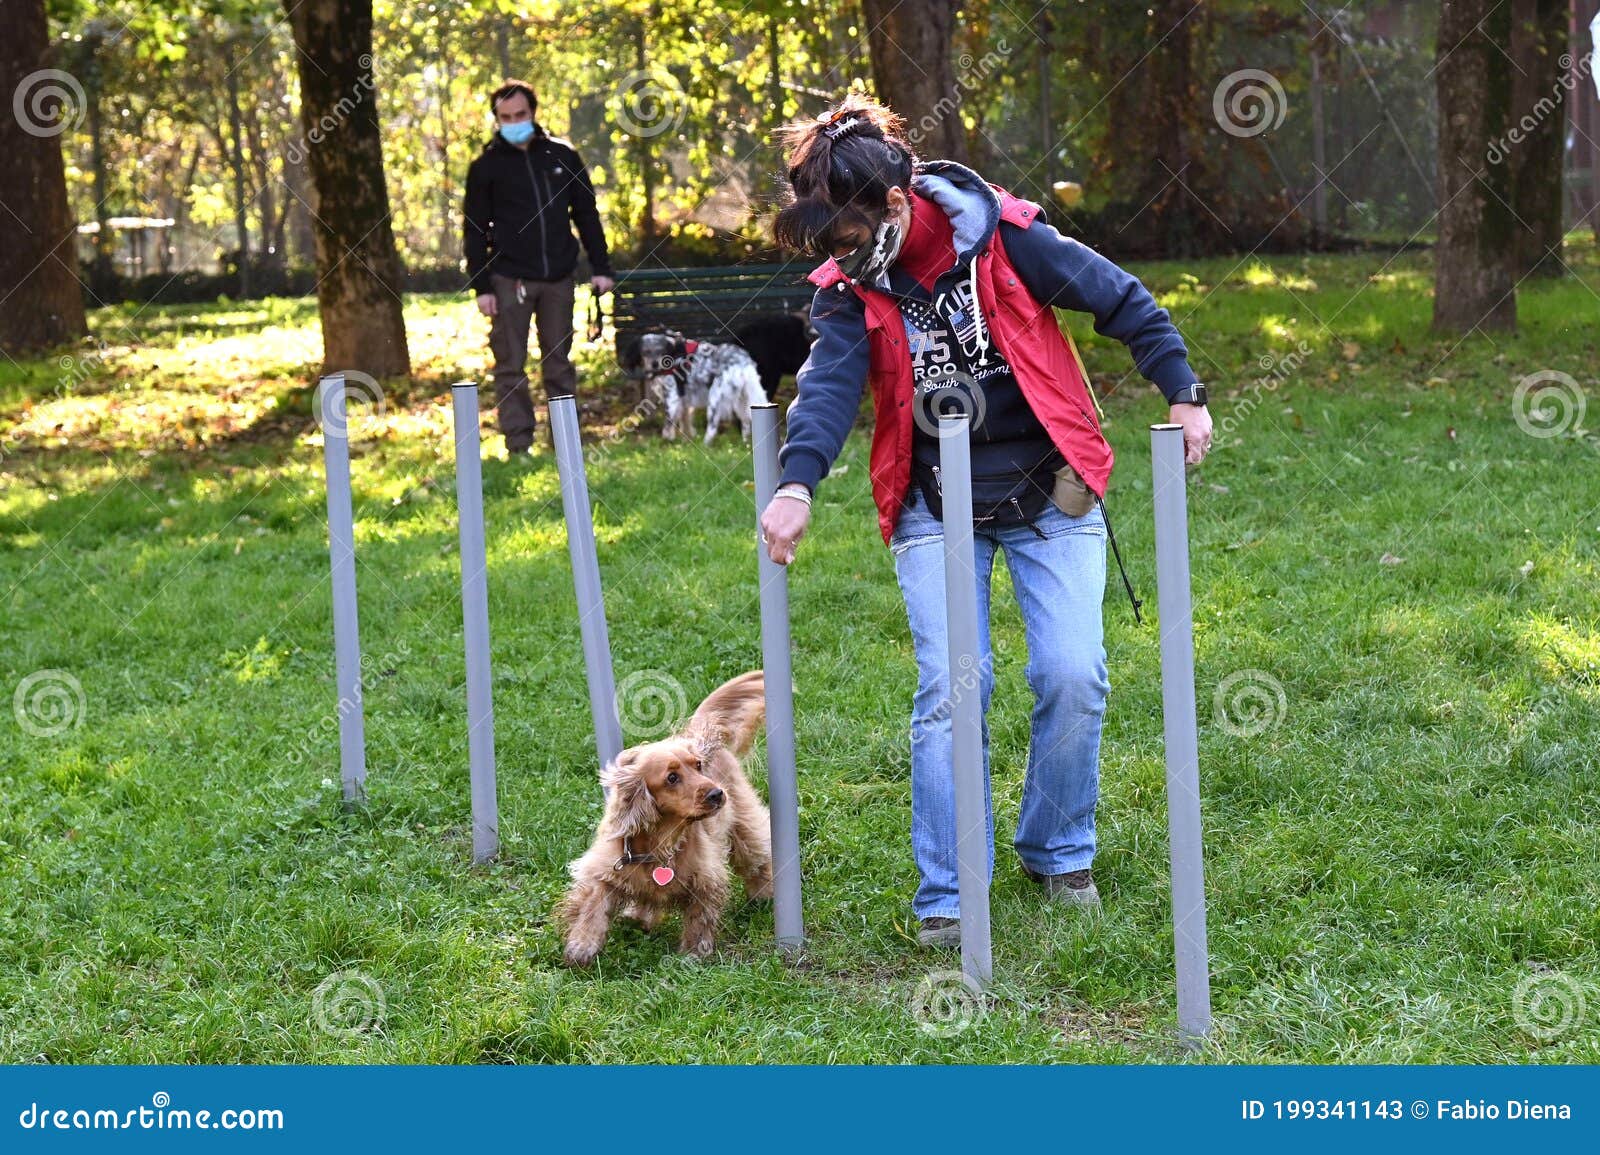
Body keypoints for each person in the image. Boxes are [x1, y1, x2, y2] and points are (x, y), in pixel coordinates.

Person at [757, 94, 1213, 949]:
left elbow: (1121, 299)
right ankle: (947, 894)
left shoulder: (1006, 235)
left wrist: (1182, 392)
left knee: (1074, 674)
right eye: (826, 247)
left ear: (894, 203)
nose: (837, 258)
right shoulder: (847, 290)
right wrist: (798, 483)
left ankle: (1057, 850)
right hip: (935, 497)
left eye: (846, 239)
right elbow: (826, 386)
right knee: (952, 689)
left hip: (1049, 487)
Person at [463, 80, 615, 454]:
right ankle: (518, 445)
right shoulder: (485, 167)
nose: (514, 121)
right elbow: (473, 230)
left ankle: (567, 443)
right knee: (510, 366)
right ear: (496, 119)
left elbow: (587, 215)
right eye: (505, 117)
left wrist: (601, 267)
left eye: (520, 114)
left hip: (559, 277)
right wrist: (481, 287)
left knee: (559, 365)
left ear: (533, 112)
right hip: (508, 279)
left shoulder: (563, 156)